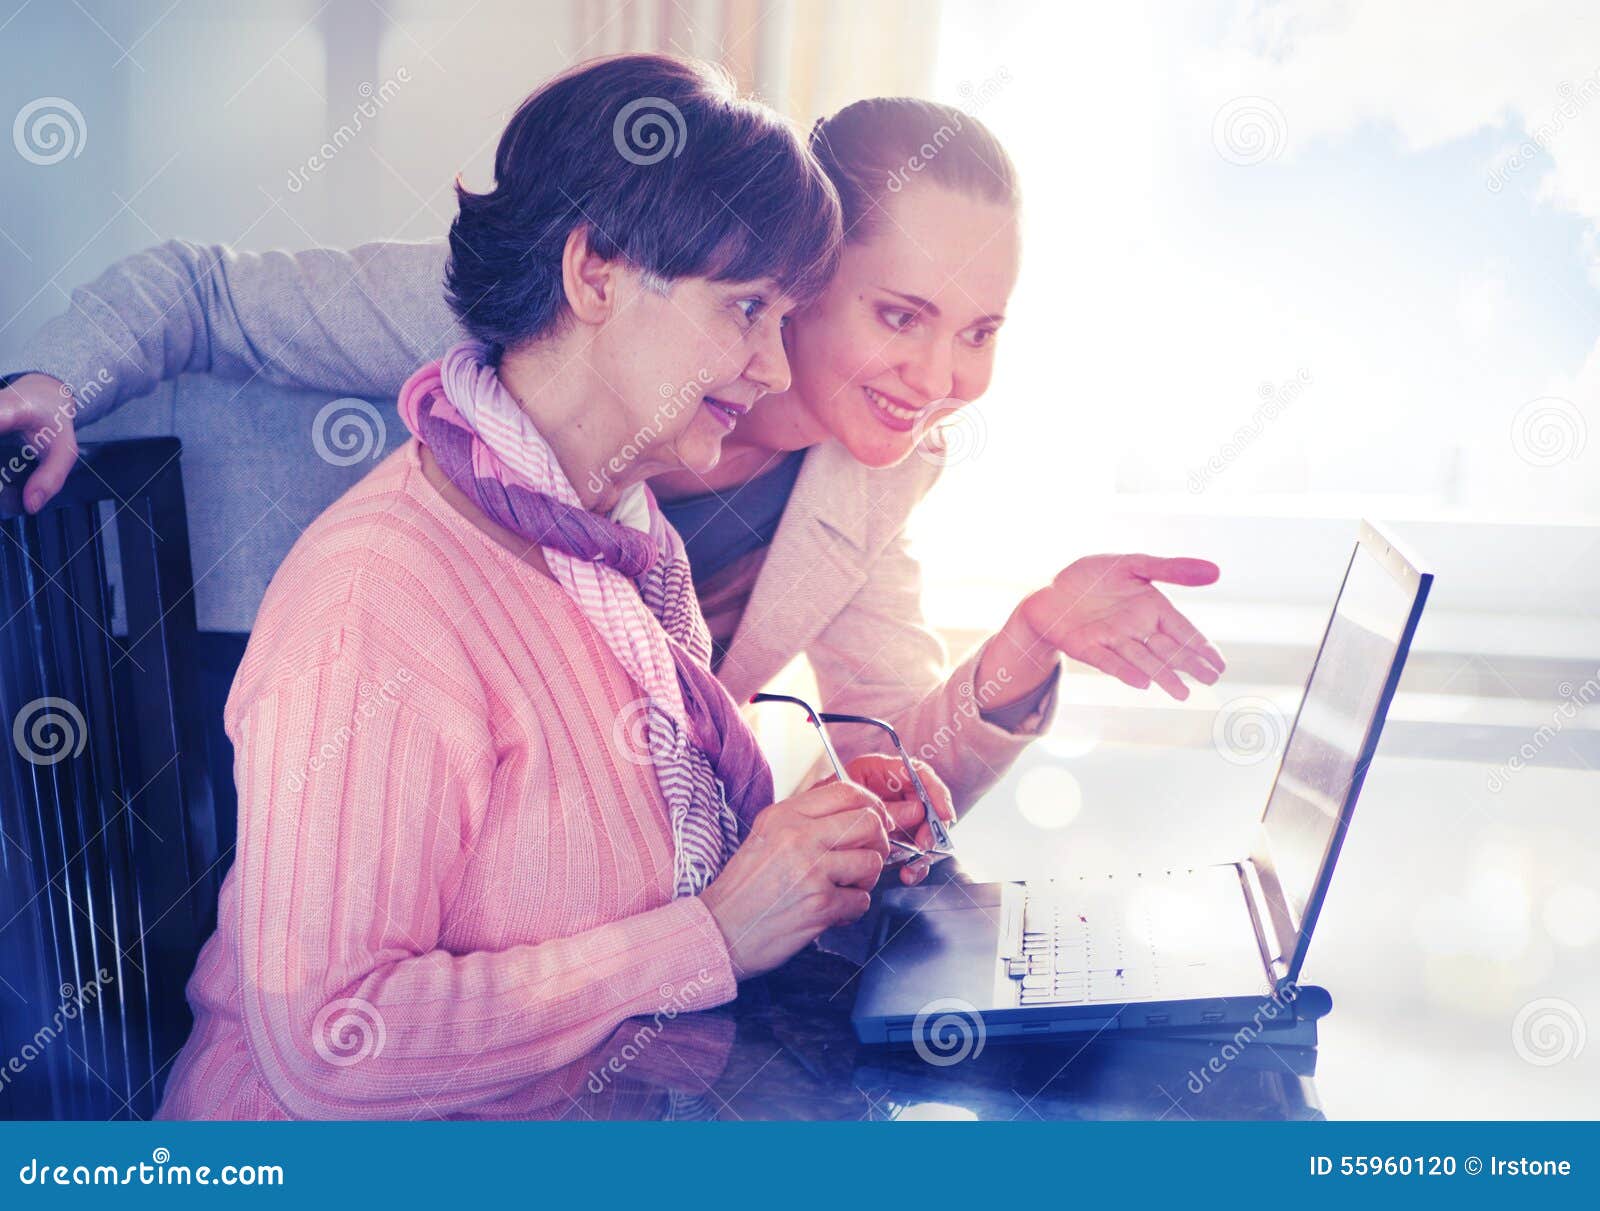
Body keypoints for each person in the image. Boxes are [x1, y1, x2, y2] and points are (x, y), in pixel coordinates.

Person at [2, 77, 1225, 819]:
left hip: (484, 806)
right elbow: (206, 292)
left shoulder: (873, 465)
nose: (938, 379)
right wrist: (53, 384)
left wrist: (1028, 643)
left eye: (978, 332)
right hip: (198, 632)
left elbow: (881, 752)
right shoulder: (541, 311)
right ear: (798, 265)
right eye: (899, 315)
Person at [149, 53, 952, 1121]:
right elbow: (332, 1044)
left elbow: (632, 883)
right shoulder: (378, 597)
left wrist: (803, 861)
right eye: (747, 308)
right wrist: (710, 933)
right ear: (595, 275)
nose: (772, 365)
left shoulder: (621, 544)